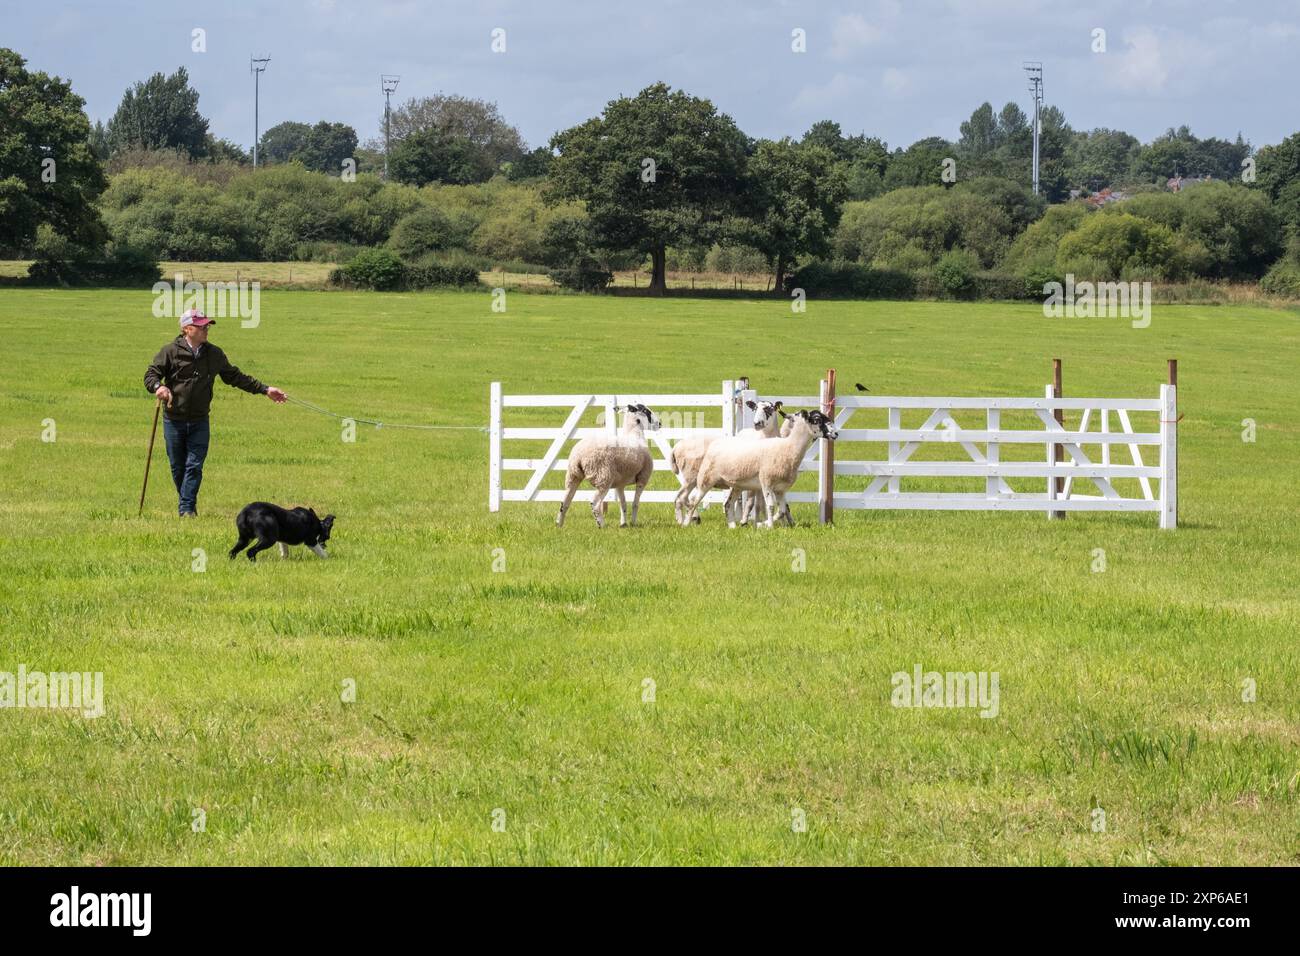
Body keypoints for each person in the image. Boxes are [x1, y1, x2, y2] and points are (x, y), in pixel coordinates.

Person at [144, 309, 287, 517]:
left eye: (207, 326)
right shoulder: (170, 352)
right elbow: (151, 374)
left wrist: (265, 390)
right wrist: (158, 387)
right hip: (173, 420)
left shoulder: (214, 354)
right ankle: (187, 503)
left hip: (200, 421)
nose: (206, 329)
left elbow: (235, 377)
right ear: (186, 329)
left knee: (194, 466)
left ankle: (186, 510)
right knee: (178, 467)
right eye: (201, 326)